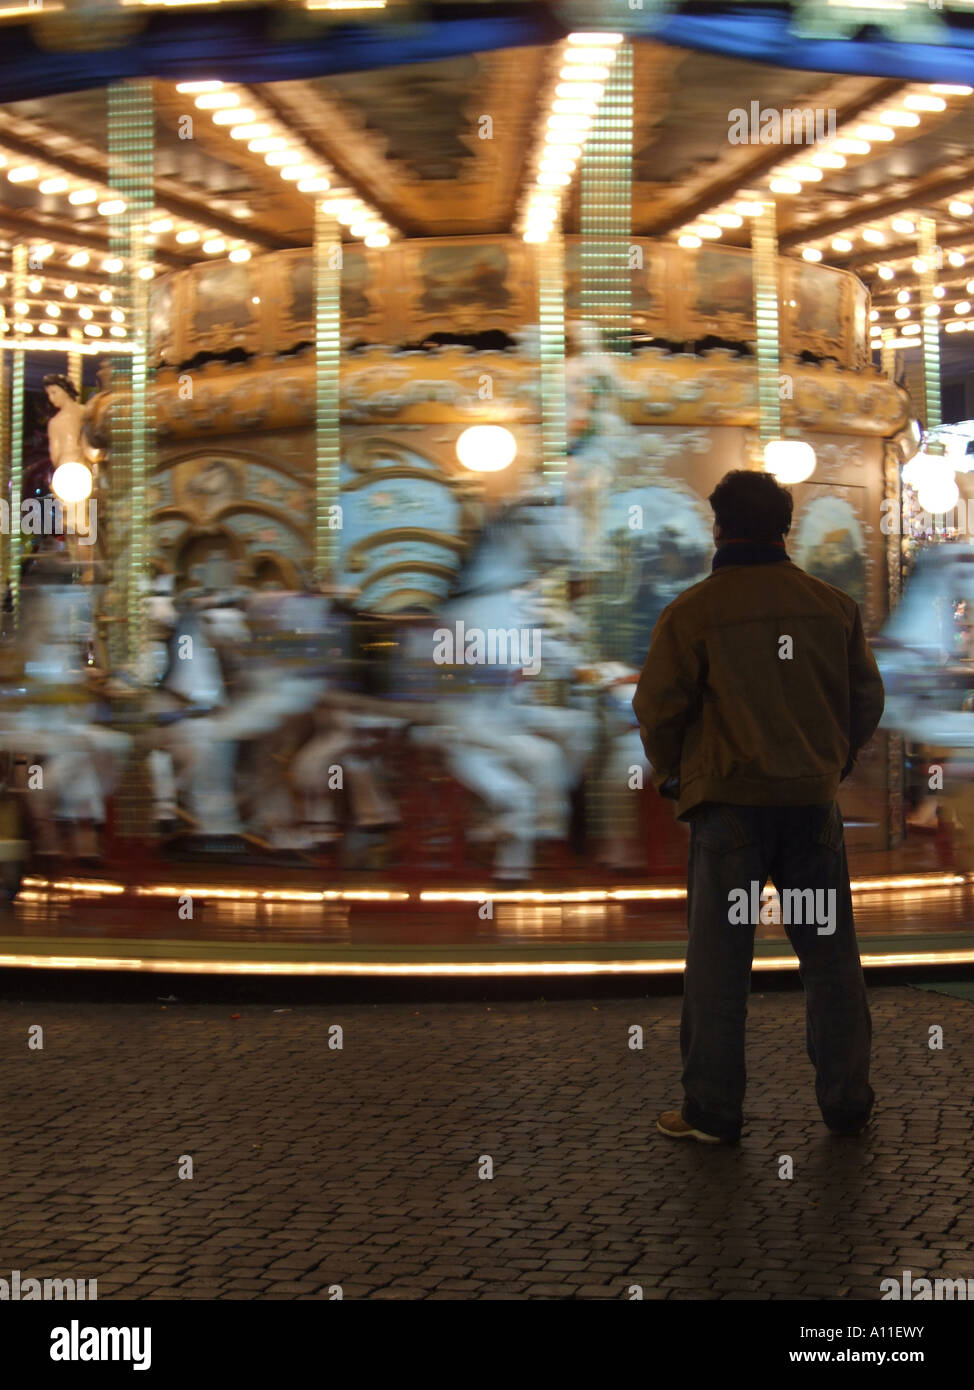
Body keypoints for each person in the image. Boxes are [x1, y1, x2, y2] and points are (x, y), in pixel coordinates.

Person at [633, 469, 885, 1144]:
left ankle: (712, 1109)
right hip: (810, 808)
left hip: (729, 811)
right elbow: (867, 699)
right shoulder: (832, 606)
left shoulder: (693, 612)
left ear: (719, 527)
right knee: (831, 958)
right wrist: (832, 760)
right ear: (786, 527)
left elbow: (657, 709)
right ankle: (846, 1101)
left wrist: (677, 776)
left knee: (719, 961)